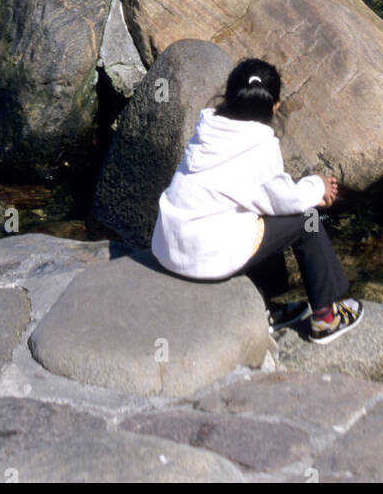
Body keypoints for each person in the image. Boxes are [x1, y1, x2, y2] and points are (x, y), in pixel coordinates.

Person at [151, 57, 364, 343]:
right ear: (275, 107)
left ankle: (264, 307)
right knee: (306, 219)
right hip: (201, 257)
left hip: (168, 248)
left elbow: (263, 198)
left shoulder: (207, 131)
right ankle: (326, 319)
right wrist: (317, 187)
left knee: (260, 216)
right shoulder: (259, 145)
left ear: (228, 96)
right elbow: (286, 201)